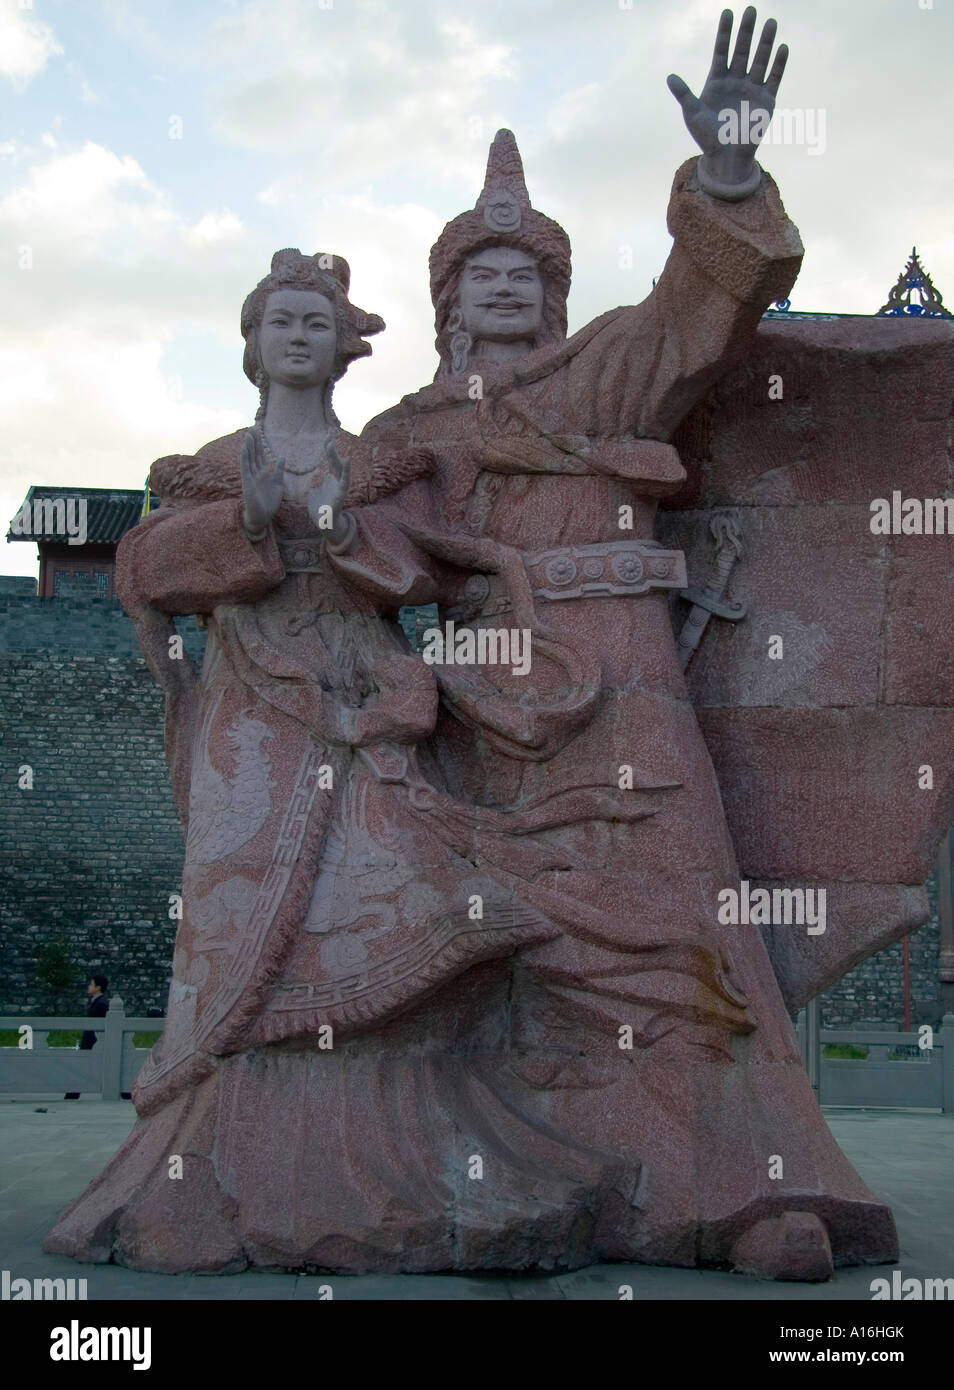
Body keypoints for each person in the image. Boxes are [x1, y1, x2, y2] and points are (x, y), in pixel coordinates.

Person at [63, 975, 109, 1099]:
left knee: (85, 1067)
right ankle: (73, 1093)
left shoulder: (102, 1004)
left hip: (94, 1041)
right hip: (93, 1041)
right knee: (87, 1067)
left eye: (91, 984)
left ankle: (73, 1093)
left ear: (98, 987)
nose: (89, 987)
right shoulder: (98, 1002)